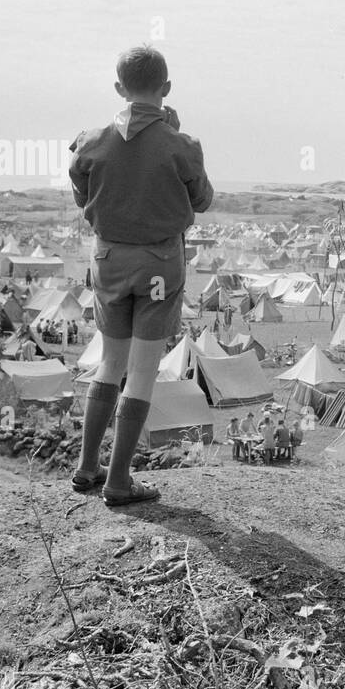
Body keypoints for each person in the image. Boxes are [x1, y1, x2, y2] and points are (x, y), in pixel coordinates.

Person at [67, 45, 214, 507]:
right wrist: (170, 133)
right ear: (166, 89)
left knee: (110, 363)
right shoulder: (181, 145)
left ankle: (87, 467)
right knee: (144, 372)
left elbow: (81, 195)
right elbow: (202, 200)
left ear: (118, 89)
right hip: (158, 265)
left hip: (108, 259)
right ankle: (119, 480)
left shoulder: (89, 142)